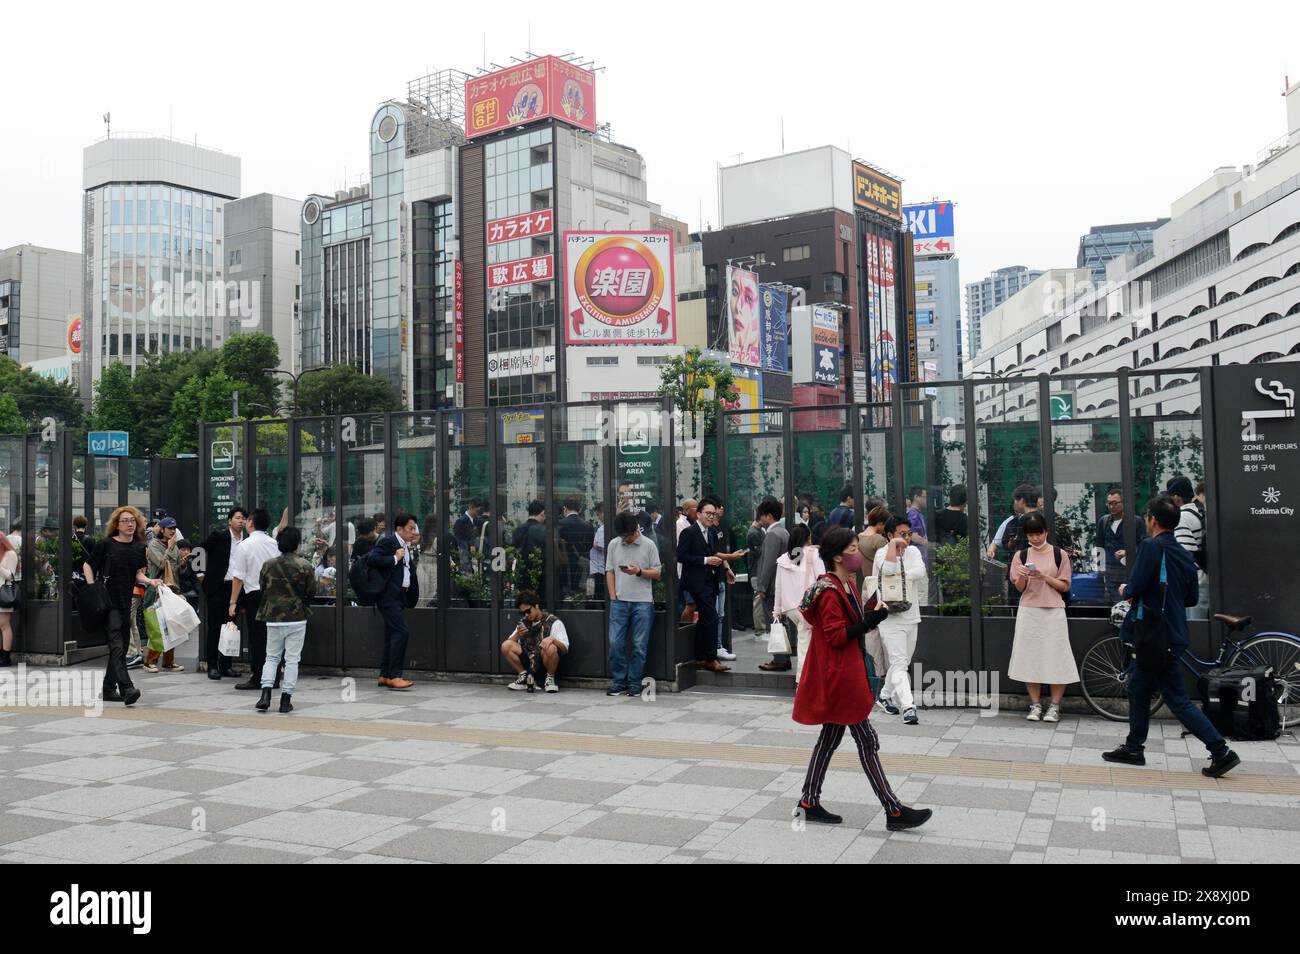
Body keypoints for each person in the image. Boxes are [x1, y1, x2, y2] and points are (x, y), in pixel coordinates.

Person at [792, 526, 932, 830]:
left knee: (830, 738)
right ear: (839, 556)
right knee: (866, 739)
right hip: (840, 676)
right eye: (854, 549)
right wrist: (870, 620)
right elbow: (836, 635)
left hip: (844, 671)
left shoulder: (845, 586)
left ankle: (808, 801)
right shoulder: (830, 590)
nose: (858, 554)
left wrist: (872, 614)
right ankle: (893, 810)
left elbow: (851, 624)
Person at [1103, 495, 1240, 778]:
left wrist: (1126, 589)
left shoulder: (1151, 547)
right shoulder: (1182, 553)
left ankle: (1221, 751)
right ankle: (1133, 747)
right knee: (1138, 689)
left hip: (1156, 636)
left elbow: (1136, 586)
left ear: (1152, 520)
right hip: (1172, 632)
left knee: (1177, 700)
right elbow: (1190, 597)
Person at [83, 506, 164, 707]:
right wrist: (93, 587)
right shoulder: (106, 545)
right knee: (118, 647)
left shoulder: (139, 547)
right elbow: (88, 565)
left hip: (125, 603)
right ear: (116, 525)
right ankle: (127, 688)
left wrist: (150, 581)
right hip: (107, 604)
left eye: (132, 521)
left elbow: (137, 573)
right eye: (124, 521)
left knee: (118, 648)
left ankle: (108, 689)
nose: (129, 524)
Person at [1008, 512, 1077, 722]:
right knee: (1030, 658)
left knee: (1056, 658)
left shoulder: (1059, 554)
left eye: (1038, 533)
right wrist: (1021, 576)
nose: (1034, 539)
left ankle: (1055, 706)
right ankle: (1035, 705)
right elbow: (1020, 588)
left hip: (1053, 610)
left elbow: (1064, 585)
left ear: (1046, 531)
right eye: (1030, 535)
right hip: (1029, 610)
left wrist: (1043, 576)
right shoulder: (1020, 556)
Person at [871, 516, 928, 725]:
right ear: (890, 535)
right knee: (899, 663)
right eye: (901, 534)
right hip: (889, 618)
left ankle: (885, 696)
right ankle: (909, 707)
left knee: (903, 662)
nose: (906, 538)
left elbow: (920, 571)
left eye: (908, 533)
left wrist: (903, 574)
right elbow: (887, 570)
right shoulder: (881, 553)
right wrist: (894, 548)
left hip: (911, 616)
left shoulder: (913, 552)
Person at [254, 526, 316, 714]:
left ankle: (265, 694)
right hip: (297, 618)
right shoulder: (304, 565)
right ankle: (285, 700)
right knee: (292, 660)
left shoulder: (268, 564)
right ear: (297, 544)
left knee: (271, 657)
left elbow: (262, 587)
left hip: (273, 617)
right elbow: (311, 592)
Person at [604, 512, 662, 696]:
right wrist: (613, 596)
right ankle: (619, 681)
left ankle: (635, 683)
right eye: (623, 536)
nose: (626, 539)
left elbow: (657, 573)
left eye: (628, 536)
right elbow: (610, 571)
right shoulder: (614, 544)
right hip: (619, 601)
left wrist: (638, 572)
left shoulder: (649, 544)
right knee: (615, 643)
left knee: (639, 645)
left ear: (636, 529)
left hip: (643, 602)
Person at [228, 509, 282, 691]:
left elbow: (238, 577)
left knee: (257, 638)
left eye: (247, 519)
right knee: (273, 637)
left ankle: (258, 676)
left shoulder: (245, 545)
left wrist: (233, 601)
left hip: (255, 595)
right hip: (274, 594)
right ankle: (273, 678)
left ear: (251, 522)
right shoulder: (274, 543)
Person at [366, 512, 421, 690]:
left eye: (414, 528)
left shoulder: (404, 544)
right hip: (388, 597)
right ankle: (395, 675)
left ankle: (385, 675)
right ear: (399, 529)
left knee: (392, 635)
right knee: (401, 632)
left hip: (399, 597)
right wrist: (394, 558)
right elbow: (372, 558)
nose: (413, 532)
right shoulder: (389, 542)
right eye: (410, 528)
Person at [678, 497, 728, 672]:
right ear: (698, 514)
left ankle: (699, 656)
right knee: (712, 617)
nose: (711, 517)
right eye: (708, 513)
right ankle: (711, 658)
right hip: (695, 582)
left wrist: (725, 567)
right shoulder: (689, 532)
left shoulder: (712, 532)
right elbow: (681, 556)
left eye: (713, 514)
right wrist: (706, 560)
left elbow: (714, 553)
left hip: (710, 581)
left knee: (706, 620)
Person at [772, 524, 824, 685]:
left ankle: (806, 680)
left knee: (805, 641)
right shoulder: (813, 554)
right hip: (808, 606)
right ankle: (803, 682)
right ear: (808, 537)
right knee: (805, 644)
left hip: (790, 608)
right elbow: (822, 579)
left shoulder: (784, 558)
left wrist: (776, 610)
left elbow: (778, 586)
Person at [200, 507, 247, 680]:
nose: (241, 521)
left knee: (231, 627)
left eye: (243, 519)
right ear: (230, 521)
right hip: (217, 588)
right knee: (214, 628)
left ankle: (226, 665)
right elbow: (199, 550)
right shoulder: (219, 536)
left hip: (236, 589)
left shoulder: (247, 541)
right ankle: (212, 666)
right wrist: (200, 576)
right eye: (238, 518)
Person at [501, 589, 570, 693]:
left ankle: (550, 679)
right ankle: (524, 677)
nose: (526, 615)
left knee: (551, 647)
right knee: (506, 645)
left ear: (536, 606)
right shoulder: (524, 622)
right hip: (528, 661)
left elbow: (565, 649)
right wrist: (517, 635)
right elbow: (507, 645)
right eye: (523, 612)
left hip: (545, 663)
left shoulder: (553, 622)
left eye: (528, 611)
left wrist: (553, 640)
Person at [754, 499, 792, 672]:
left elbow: (768, 563)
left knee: (774, 623)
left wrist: (761, 587)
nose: (760, 519)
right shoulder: (784, 532)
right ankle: (784, 657)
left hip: (772, 588)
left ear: (768, 516)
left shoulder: (772, 534)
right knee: (782, 622)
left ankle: (779, 659)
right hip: (783, 585)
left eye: (761, 516)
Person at [143, 517, 185, 673]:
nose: (173, 531)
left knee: (173, 625)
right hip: (157, 590)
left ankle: (168, 661)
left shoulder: (173, 545)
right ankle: (149, 661)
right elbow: (161, 564)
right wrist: (170, 548)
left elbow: (177, 569)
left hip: (172, 590)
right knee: (159, 627)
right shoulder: (154, 544)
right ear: (162, 529)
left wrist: (184, 563)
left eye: (174, 529)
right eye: (169, 529)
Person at [1167, 476, 1209, 620]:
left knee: (1195, 627)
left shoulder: (1182, 517)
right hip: (1203, 577)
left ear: (1177, 497)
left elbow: (1184, 554)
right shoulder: (1199, 512)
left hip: (1194, 581)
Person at [1095, 488, 1142, 603]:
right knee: (1114, 605)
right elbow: (1099, 545)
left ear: (1124, 502)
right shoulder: (1104, 521)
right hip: (1110, 572)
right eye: (1109, 503)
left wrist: (1129, 552)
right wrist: (1100, 568)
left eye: (1115, 503)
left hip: (1129, 570)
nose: (1111, 506)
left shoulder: (1136, 521)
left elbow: (1143, 546)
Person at [511, 500, 547, 597]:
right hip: (540, 576)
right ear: (542, 513)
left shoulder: (518, 530)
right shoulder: (542, 531)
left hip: (521, 575)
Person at [557, 498, 592, 597]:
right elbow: (589, 545)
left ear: (565, 509)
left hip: (563, 563)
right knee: (579, 590)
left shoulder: (559, 524)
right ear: (579, 509)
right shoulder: (587, 525)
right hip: (581, 563)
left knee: (565, 591)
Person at [746, 507, 769, 641]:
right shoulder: (754, 533)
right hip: (756, 571)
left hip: (759, 570)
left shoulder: (759, 531)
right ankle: (760, 630)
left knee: (760, 599)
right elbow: (759, 552)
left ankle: (762, 629)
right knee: (759, 600)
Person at [856, 506, 891, 571]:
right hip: (877, 578)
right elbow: (886, 564)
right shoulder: (878, 539)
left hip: (866, 579)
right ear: (880, 523)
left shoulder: (859, 536)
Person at [0, 531, 16, 667]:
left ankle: (6, 656)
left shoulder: (10, 554)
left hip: (4, 593)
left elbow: (10, 576)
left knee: (4, 624)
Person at [453, 500, 483, 572]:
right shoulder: (461, 521)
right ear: (471, 508)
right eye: (476, 511)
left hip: (474, 552)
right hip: (464, 553)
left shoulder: (476, 520)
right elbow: (458, 539)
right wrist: (470, 545)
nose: (477, 513)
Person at [588, 502, 607, 601]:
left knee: (600, 595)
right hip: (598, 567)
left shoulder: (604, 528)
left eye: (598, 514)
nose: (598, 517)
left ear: (603, 513)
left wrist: (596, 546)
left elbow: (605, 547)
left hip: (601, 568)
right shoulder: (602, 528)